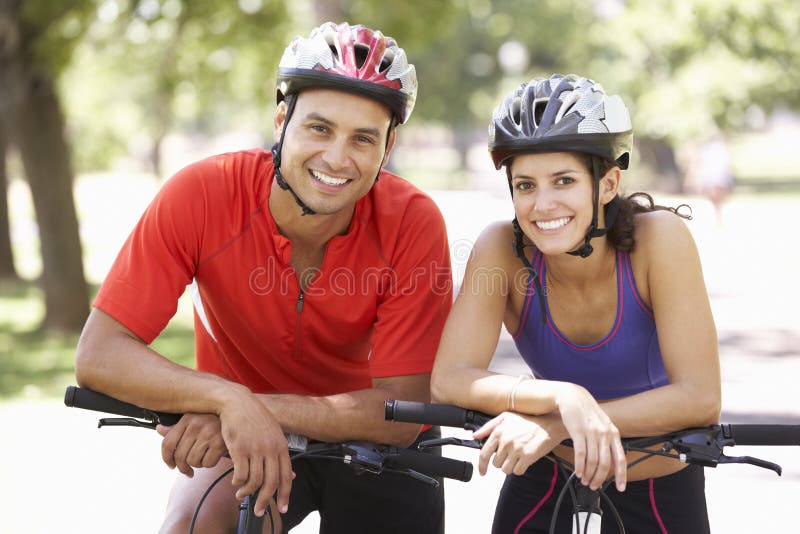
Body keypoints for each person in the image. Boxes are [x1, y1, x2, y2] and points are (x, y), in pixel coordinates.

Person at [75, 22, 452, 534]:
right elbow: (100, 354)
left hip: (378, 445)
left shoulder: (413, 221)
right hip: (239, 436)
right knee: (192, 524)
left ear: (386, 152)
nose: (338, 157)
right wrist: (227, 398)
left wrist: (251, 408)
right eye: (319, 128)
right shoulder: (202, 194)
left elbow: (400, 410)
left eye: (363, 139)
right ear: (281, 121)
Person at [431, 74, 721, 533]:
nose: (543, 204)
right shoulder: (500, 248)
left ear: (606, 185)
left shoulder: (660, 240)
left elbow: (700, 398)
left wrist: (558, 425)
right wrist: (562, 398)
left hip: (656, 485)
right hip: (548, 478)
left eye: (563, 181)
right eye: (525, 185)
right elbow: (449, 379)